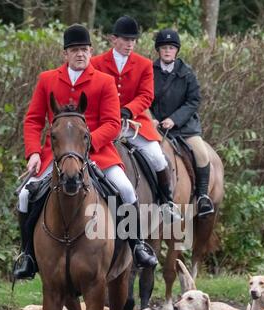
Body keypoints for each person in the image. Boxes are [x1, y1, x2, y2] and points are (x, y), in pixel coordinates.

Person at [13, 24, 157, 280]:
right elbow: (34, 120)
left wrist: (85, 146)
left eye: (85, 49)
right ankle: (27, 256)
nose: (81, 54)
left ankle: (138, 246)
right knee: (25, 195)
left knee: (124, 189)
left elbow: (112, 124)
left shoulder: (104, 81)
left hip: (98, 152)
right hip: (55, 155)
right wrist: (34, 152)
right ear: (65, 54)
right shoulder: (47, 79)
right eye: (75, 50)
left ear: (91, 52)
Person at [90, 16, 182, 223]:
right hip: (104, 124)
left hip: (134, 125)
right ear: (114, 39)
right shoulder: (96, 63)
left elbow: (146, 95)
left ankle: (166, 203)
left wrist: (128, 110)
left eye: (133, 40)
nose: (130, 44)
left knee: (158, 157)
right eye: (125, 39)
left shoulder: (144, 64)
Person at [151, 28, 214, 217]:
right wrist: (151, 118)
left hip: (185, 128)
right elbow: (143, 97)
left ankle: (202, 196)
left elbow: (194, 100)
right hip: (156, 126)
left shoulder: (187, 73)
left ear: (176, 50)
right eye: (163, 48)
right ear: (158, 50)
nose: (167, 51)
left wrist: (174, 119)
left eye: (171, 47)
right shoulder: (149, 71)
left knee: (202, 154)